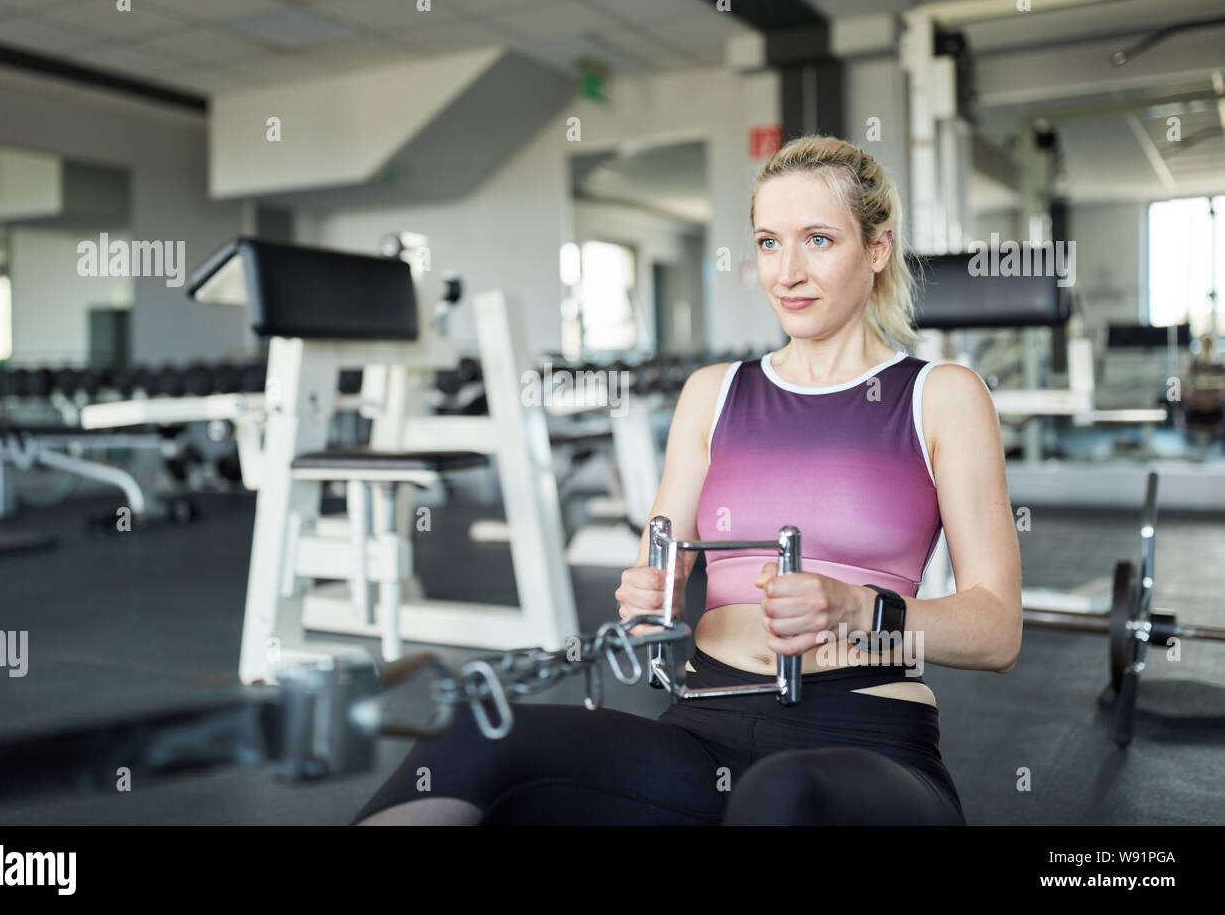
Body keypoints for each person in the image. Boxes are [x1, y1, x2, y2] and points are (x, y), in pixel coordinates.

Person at [353, 134, 1022, 825]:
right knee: (473, 737)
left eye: (817, 239)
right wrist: (650, 597)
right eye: (769, 242)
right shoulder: (714, 393)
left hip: (867, 738)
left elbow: (998, 633)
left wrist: (860, 610)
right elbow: (658, 569)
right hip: (703, 731)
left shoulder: (939, 394)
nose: (786, 271)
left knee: (781, 797)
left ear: (876, 249)